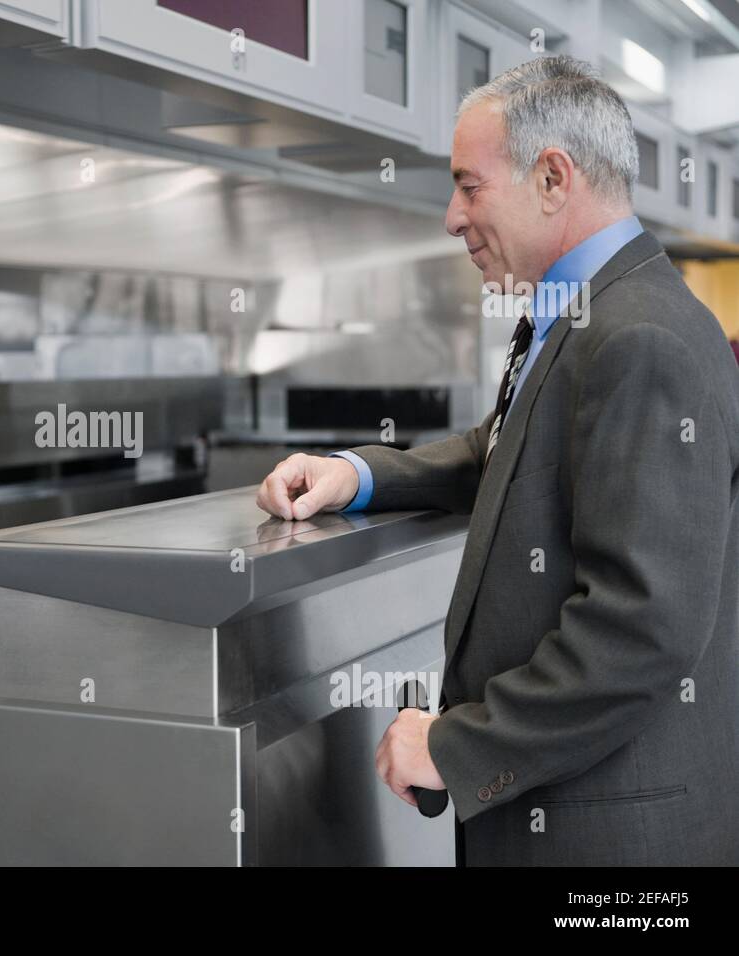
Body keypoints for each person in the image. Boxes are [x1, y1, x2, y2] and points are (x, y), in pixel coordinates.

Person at [257, 56, 739, 865]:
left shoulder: (640, 340)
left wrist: (456, 746)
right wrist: (363, 473)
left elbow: (641, 630)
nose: (451, 216)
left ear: (552, 178)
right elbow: (507, 451)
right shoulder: (590, 314)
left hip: (614, 842)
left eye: (469, 185)